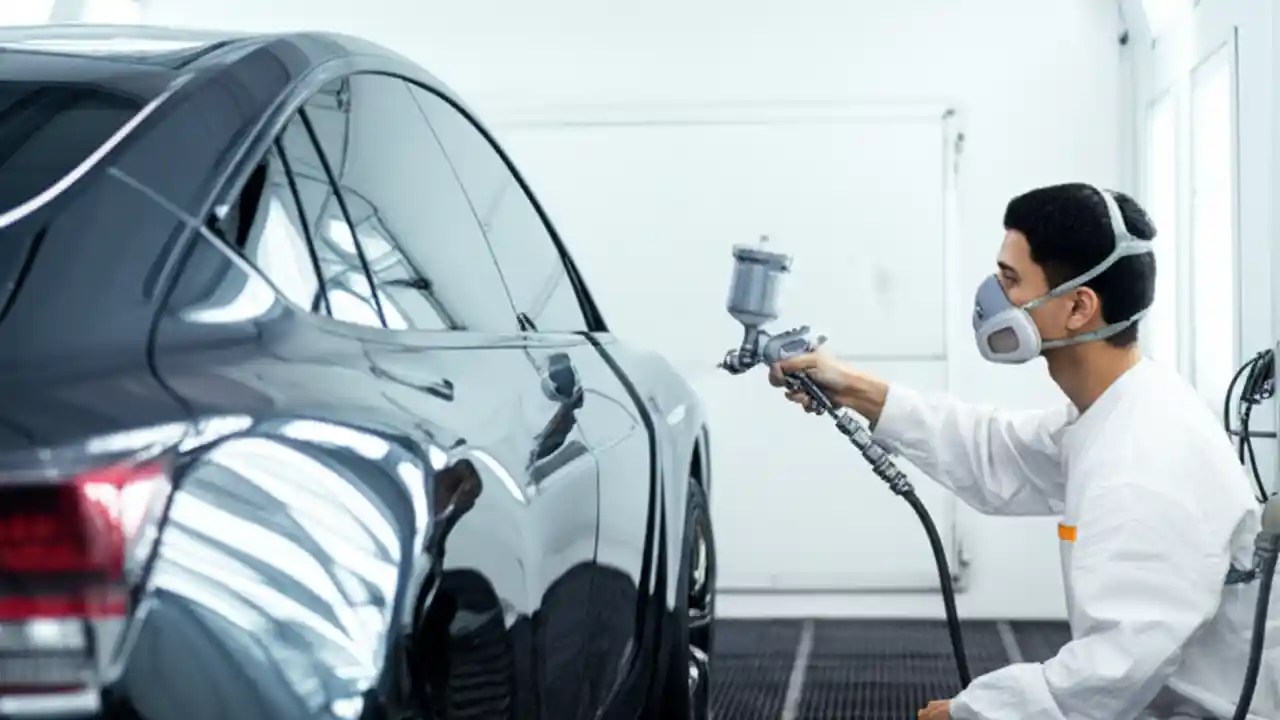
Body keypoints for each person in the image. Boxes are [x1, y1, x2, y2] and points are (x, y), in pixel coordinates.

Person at [768, 183, 1279, 720]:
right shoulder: (1122, 408)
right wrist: (851, 387)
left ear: (1079, 307)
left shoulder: (1143, 459)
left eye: (1010, 280)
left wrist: (973, 711)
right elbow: (1000, 453)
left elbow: (1114, 669)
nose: (993, 296)